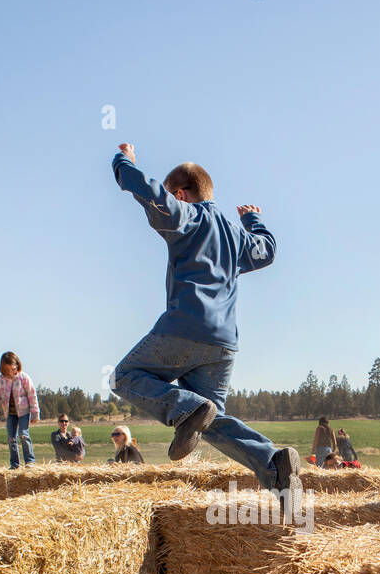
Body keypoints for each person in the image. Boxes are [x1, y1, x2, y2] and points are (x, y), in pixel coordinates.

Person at [108, 143, 301, 505]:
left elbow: (145, 190)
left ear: (181, 194)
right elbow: (268, 250)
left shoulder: (188, 216)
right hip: (224, 345)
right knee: (210, 420)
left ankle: (184, 408)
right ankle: (273, 463)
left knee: (123, 377)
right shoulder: (234, 232)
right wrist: (252, 220)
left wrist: (123, 161)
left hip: (185, 328)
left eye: (173, 196)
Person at [0, 351, 39, 469]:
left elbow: (32, 395)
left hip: (24, 412)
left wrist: (35, 413)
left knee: (23, 434)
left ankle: (30, 461)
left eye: (13, 368)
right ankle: (15, 464)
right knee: (11, 438)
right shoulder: (0, 380)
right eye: (8, 370)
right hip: (10, 413)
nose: (12, 372)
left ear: (17, 365)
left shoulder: (23, 378)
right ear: (3, 368)